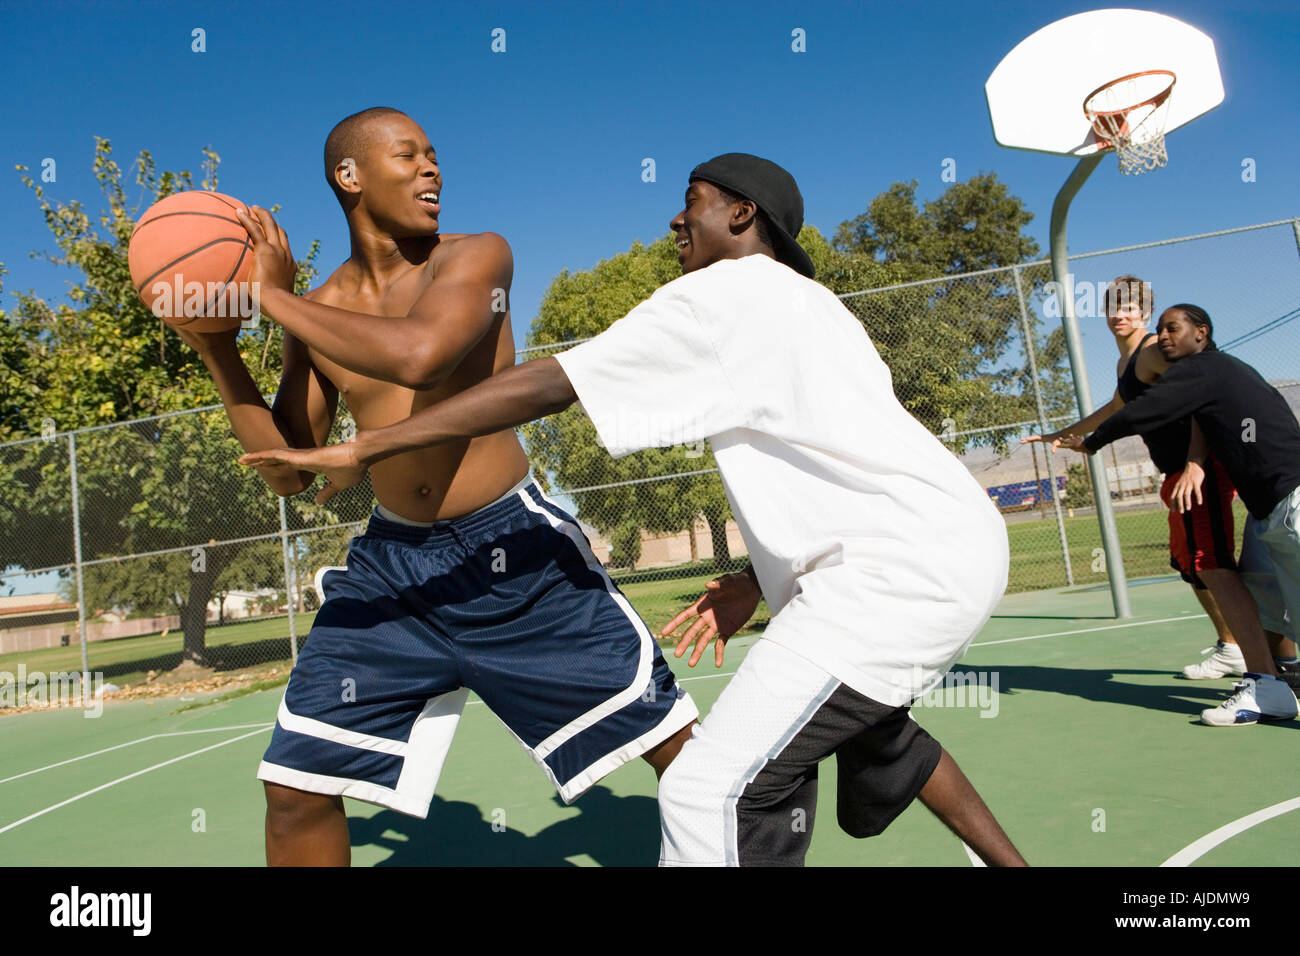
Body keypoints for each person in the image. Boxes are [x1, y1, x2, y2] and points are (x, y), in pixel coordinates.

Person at [242, 153, 1027, 866]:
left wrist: (363, 447)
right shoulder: (809, 305)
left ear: (743, 216)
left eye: (692, 202)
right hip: (929, 549)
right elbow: (840, 459)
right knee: (874, 734)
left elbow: (549, 382)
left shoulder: (722, 293)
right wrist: (760, 575)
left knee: (706, 790)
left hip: (892, 574)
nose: (675, 218)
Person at [181, 107, 696, 865]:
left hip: (513, 554)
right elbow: (288, 471)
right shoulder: (316, 311)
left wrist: (270, 299)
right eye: (409, 155)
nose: (433, 169)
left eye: (435, 156)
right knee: (295, 788)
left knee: (677, 749)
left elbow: (420, 355)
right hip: (393, 570)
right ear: (348, 177)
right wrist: (220, 353)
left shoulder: (477, 257)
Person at [1068, 304, 1300, 726]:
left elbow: (1143, 411)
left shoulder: (1204, 369)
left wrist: (1092, 442)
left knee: (1225, 572)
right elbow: (1188, 417)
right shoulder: (1209, 376)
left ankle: (1269, 681)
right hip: (1268, 511)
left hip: (1293, 500)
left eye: (1172, 329)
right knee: (1267, 593)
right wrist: (1194, 460)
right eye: (1159, 330)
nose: (1163, 337)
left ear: (1202, 333)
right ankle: (1278, 684)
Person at [1024, 276, 1247, 681]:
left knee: (1210, 562)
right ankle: (1231, 647)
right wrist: (1064, 434)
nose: (1120, 315)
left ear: (1145, 313)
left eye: (1130, 308)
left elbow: (1202, 393)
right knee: (1189, 564)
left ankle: (1263, 663)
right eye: (1114, 308)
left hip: (1201, 470)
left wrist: (1197, 462)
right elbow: (1116, 407)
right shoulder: (1126, 361)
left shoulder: (1152, 351)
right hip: (1176, 473)